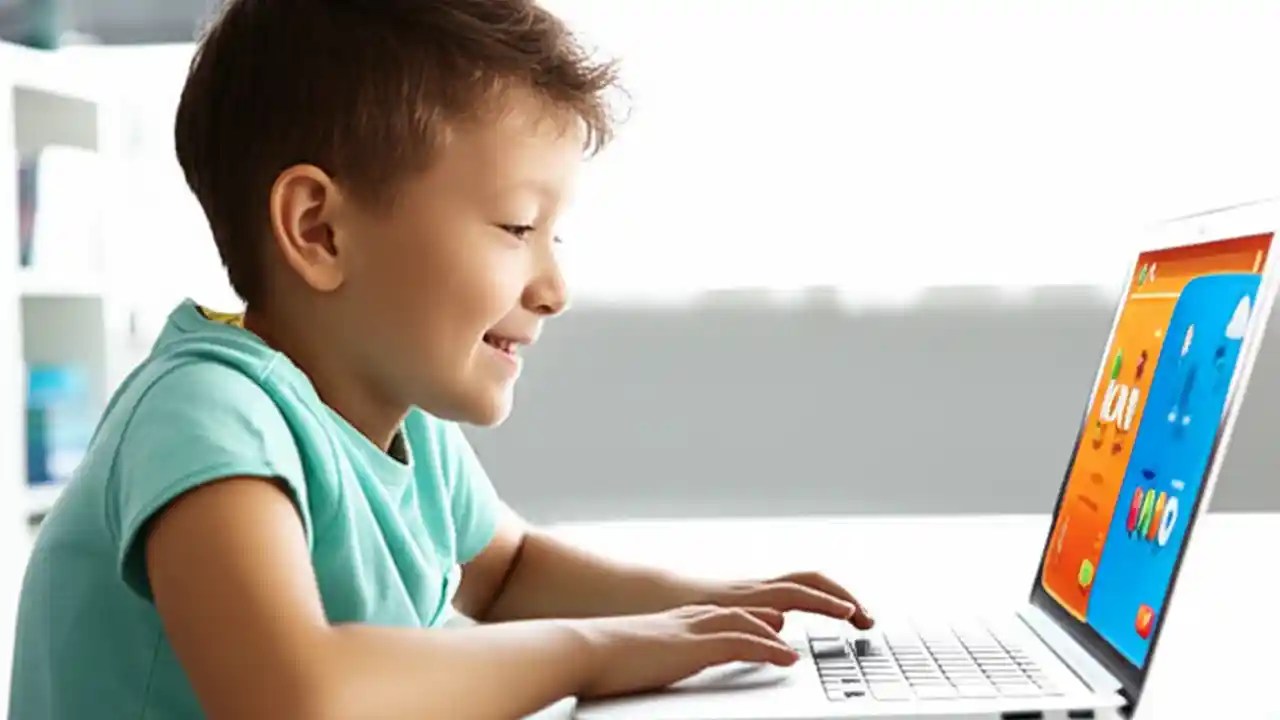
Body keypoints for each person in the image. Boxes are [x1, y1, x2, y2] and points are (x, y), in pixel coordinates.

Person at [8, 1, 874, 718]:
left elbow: (507, 574)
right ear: (320, 230)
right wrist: (594, 652)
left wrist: (704, 605)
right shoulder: (203, 416)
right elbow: (294, 694)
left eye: (554, 234)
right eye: (516, 228)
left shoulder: (398, 420)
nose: (554, 286)